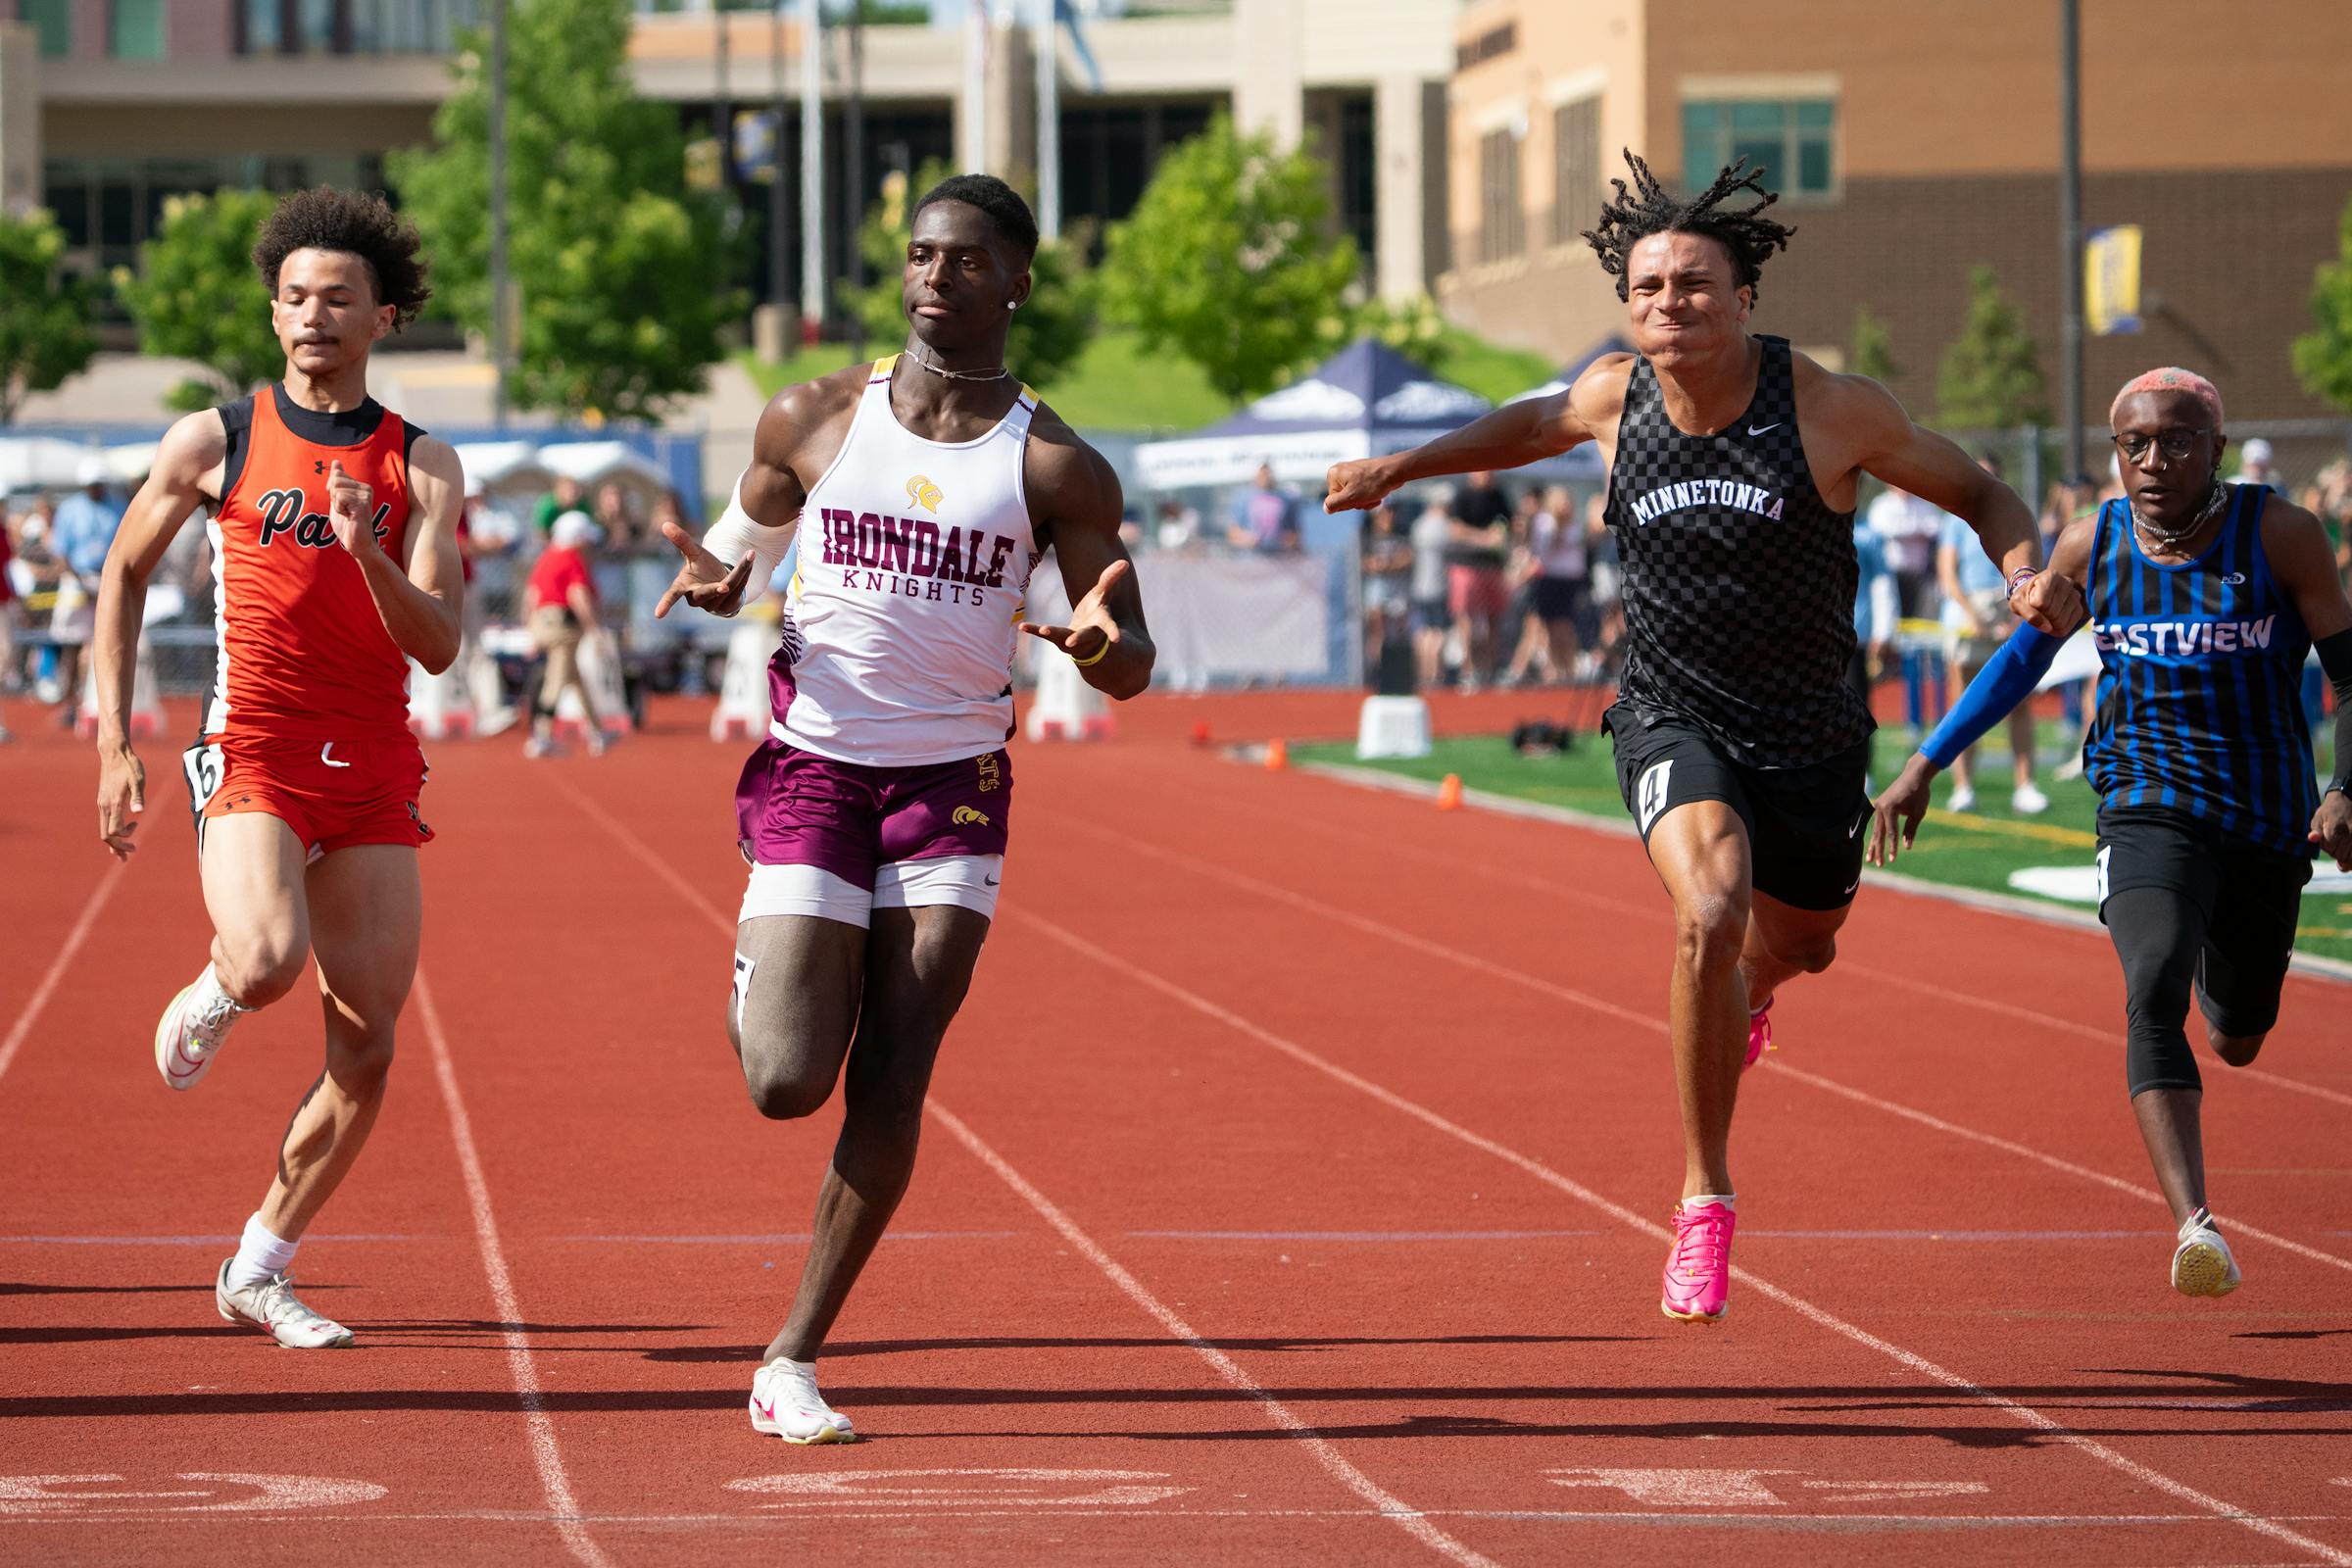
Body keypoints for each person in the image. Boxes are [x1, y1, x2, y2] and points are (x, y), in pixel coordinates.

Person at [1325, 152, 2072, 1324]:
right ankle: (1704, 1197)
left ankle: (1757, 991)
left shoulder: (1828, 408)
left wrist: (2025, 569)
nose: (1667, 304)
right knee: (1709, 905)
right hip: (1675, 712)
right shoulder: (1613, 399)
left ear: (1743, 298)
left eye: (1690, 285)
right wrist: (1398, 469)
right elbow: (1526, 425)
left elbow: (1984, 495)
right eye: (1647, 288)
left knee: (1802, 942)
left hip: (1815, 733)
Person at [652, 173, 1153, 1444]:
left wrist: (1101, 647)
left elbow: (1129, 649)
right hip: (819, 767)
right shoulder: (815, 416)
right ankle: (758, 971)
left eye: (967, 260)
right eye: (923, 256)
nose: (937, 277)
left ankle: (794, 1356)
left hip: (954, 787)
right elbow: (738, 550)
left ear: (1016, 282)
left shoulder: (1053, 464)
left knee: (898, 1066)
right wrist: (714, 581)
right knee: (782, 1080)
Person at [1872, 367, 2352, 1298]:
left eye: (2176, 440)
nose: (2155, 460)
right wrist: (1924, 763)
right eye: (2134, 444)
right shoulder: (2092, 545)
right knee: (2150, 980)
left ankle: (2229, 977)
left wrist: (2343, 788)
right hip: (2143, 797)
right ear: (2113, 454)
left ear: (2215, 446)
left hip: (2262, 813)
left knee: (2241, 1033)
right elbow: (2021, 662)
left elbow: (2351, 678)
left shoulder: (2282, 536)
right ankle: (2194, 1227)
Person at [91, 186, 463, 1348]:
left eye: (339, 298)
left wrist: (367, 554)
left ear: (383, 317)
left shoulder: (423, 463)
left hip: (374, 766)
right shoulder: (218, 440)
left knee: (368, 1043)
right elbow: (121, 577)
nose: (313, 316)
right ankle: (218, 989)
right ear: (274, 314)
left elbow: (442, 642)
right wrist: (113, 737)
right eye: (295, 297)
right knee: (262, 959)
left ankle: (260, 1263)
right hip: (253, 743)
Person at [1936, 452, 2049, 814]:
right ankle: (1964, 786)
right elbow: (1948, 575)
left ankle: (2025, 785)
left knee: (2018, 702)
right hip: (1969, 613)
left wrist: (2016, 610)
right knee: (1963, 703)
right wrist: (1974, 617)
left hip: (2005, 608)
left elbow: (2030, 565)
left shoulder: (2012, 517)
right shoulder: (1954, 522)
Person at [521, 510, 608, 759]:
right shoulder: (572, 558)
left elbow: (531, 595)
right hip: (562, 625)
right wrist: (594, 628)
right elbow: (577, 594)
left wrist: (530, 629)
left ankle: (597, 731)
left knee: (574, 678)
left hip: (541, 621)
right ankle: (541, 735)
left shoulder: (546, 557)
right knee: (556, 680)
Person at [1445, 469, 1511, 689]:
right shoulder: (1462, 496)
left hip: (1492, 566)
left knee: (1494, 618)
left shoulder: (1499, 497)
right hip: (1466, 565)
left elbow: (1511, 524)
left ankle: (1490, 669)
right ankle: (1468, 669)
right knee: (1466, 619)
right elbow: (1455, 530)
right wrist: (1484, 539)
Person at [1406, 487, 1457, 689]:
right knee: (1437, 631)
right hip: (1438, 586)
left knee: (1422, 630)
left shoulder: (1419, 526)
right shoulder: (1444, 527)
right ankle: (1435, 674)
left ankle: (1424, 674)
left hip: (1419, 585)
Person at [1360, 500, 1414, 676]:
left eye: (1391, 512)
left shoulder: (1401, 533)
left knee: (1398, 630)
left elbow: (1407, 558)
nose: (1389, 516)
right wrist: (1379, 565)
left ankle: (1397, 671)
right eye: (1385, 512)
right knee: (1377, 629)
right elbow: (1363, 562)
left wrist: (1387, 564)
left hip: (1397, 587)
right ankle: (1377, 672)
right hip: (1376, 587)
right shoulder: (1367, 535)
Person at [1226, 462, 1298, 554]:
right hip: (1250, 560)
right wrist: (1249, 540)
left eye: (1267, 473)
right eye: (1262, 473)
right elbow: (1232, 533)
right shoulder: (1243, 498)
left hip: (1278, 561)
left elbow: (1295, 533)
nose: (1265, 477)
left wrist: (1281, 542)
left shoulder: (1285, 499)